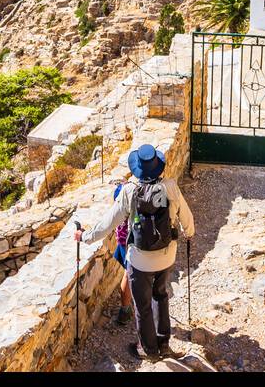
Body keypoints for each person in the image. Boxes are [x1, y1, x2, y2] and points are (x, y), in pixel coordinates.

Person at [77, 143, 195, 360]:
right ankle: (164, 343)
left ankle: (148, 350)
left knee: (142, 306)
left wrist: (84, 236)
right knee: (160, 295)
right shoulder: (170, 187)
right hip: (166, 255)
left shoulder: (129, 191)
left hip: (139, 261)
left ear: (138, 169)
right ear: (158, 167)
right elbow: (187, 219)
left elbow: (107, 224)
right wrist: (189, 233)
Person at [111, 178, 132, 325]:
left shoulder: (120, 196)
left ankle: (125, 311)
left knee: (128, 274)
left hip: (124, 242)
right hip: (133, 242)